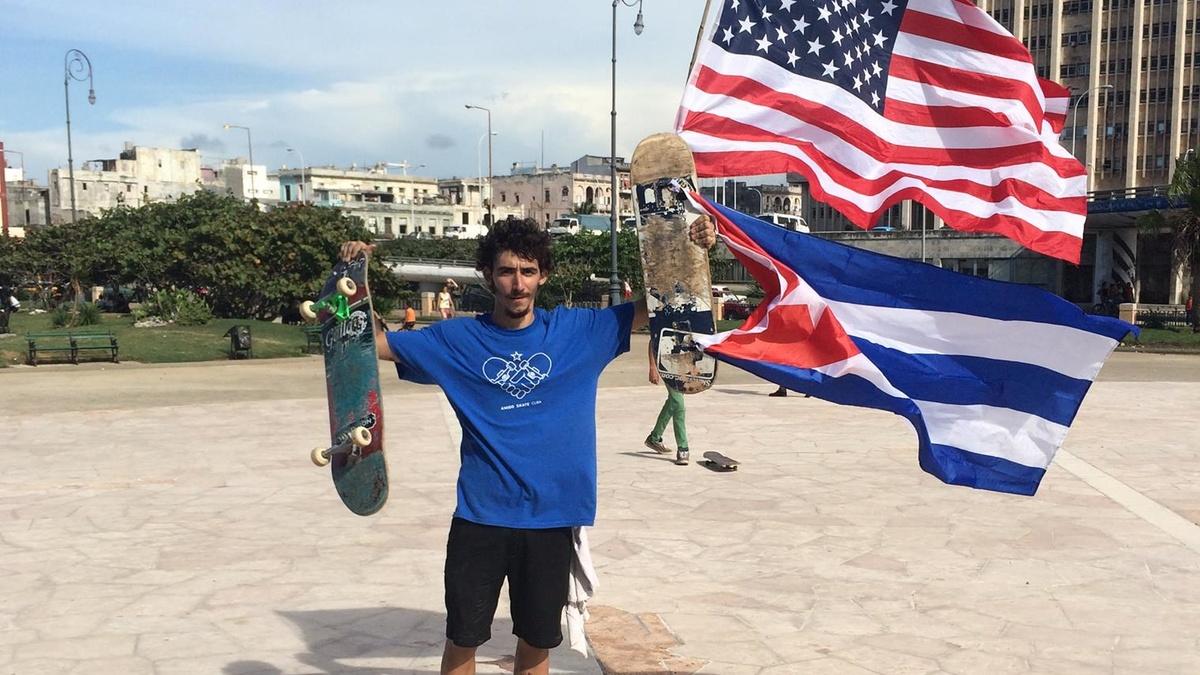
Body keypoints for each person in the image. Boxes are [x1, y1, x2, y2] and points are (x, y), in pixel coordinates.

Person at [342, 215, 716, 675]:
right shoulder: (457, 340)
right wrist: (353, 282)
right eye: (505, 271)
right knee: (462, 640)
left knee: (536, 645)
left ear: (544, 275)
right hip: (481, 516)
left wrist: (692, 249)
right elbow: (368, 346)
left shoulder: (580, 332)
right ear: (487, 276)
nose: (517, 284)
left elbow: (663, 304)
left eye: (528, 271)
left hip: (552, 515)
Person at [644, 342, 690, 465]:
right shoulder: (664, 321)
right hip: (665, 364)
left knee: (673, 402)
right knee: (678, 403)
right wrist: (653, 367)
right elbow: (653, 341)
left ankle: (654, 438)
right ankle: (683, 448)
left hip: (682, 364)